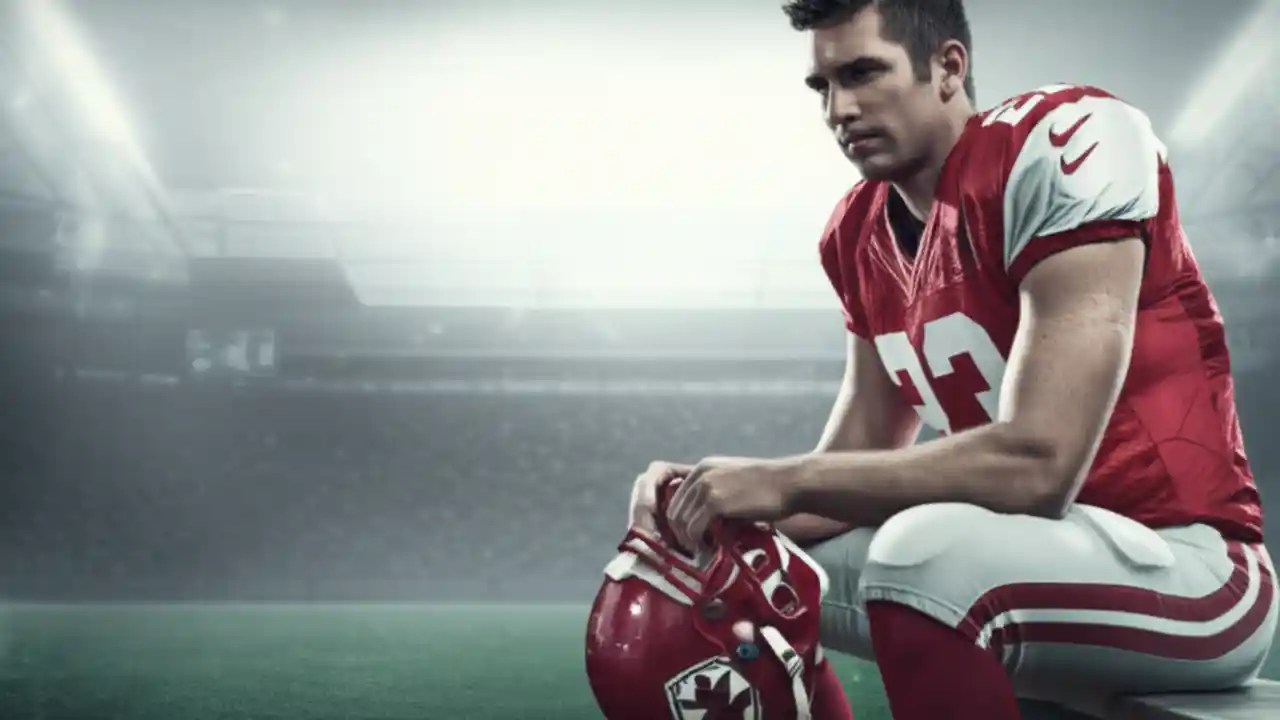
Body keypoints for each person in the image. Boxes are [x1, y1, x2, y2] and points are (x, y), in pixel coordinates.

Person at [629, 1, 1277, 718]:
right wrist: (703, 509)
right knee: (741, 567)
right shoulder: (856, 232)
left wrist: (784, 480)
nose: (840, 109)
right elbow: (850, 470)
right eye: (823, 87)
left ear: (947, 68)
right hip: (1021, 565)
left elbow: (1041, 465)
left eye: (863, 73)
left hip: (1193, 571)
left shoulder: (1063, 144)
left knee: (923, 554)